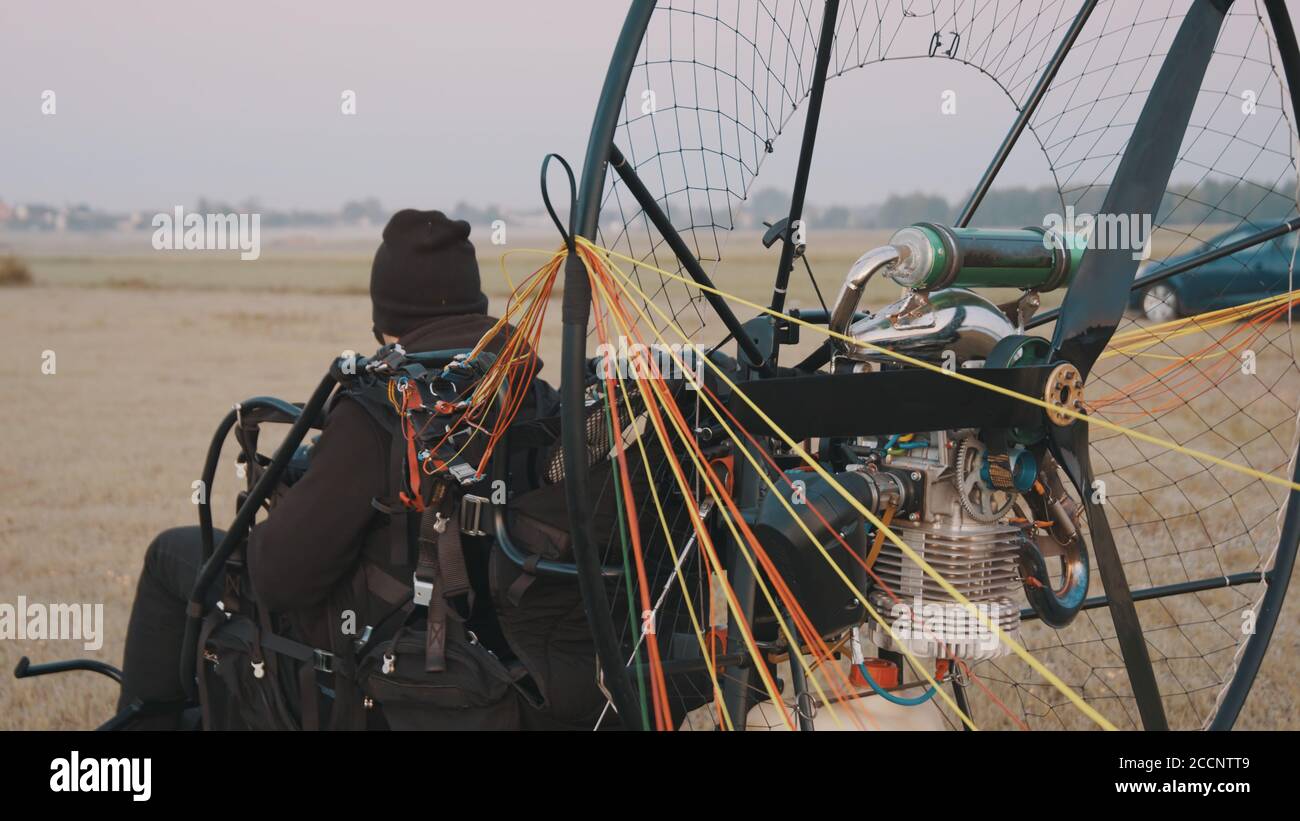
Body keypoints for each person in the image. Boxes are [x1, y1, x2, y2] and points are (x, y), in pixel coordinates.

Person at [118, 209, 568, 727]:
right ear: (474, 303)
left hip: (377, 672)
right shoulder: (531, 395)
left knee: (170, 554)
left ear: (385, 318)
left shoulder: (378, 411)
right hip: (505, 665)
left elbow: (280, 580)